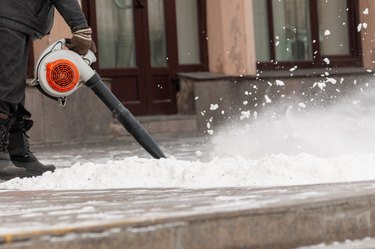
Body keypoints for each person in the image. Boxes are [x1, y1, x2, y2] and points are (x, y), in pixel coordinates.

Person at [0, 0, 96, 180]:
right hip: (10, 14)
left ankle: (17, 154)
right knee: (7, 86)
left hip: (15, 15)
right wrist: (81, 28)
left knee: (13, 87)